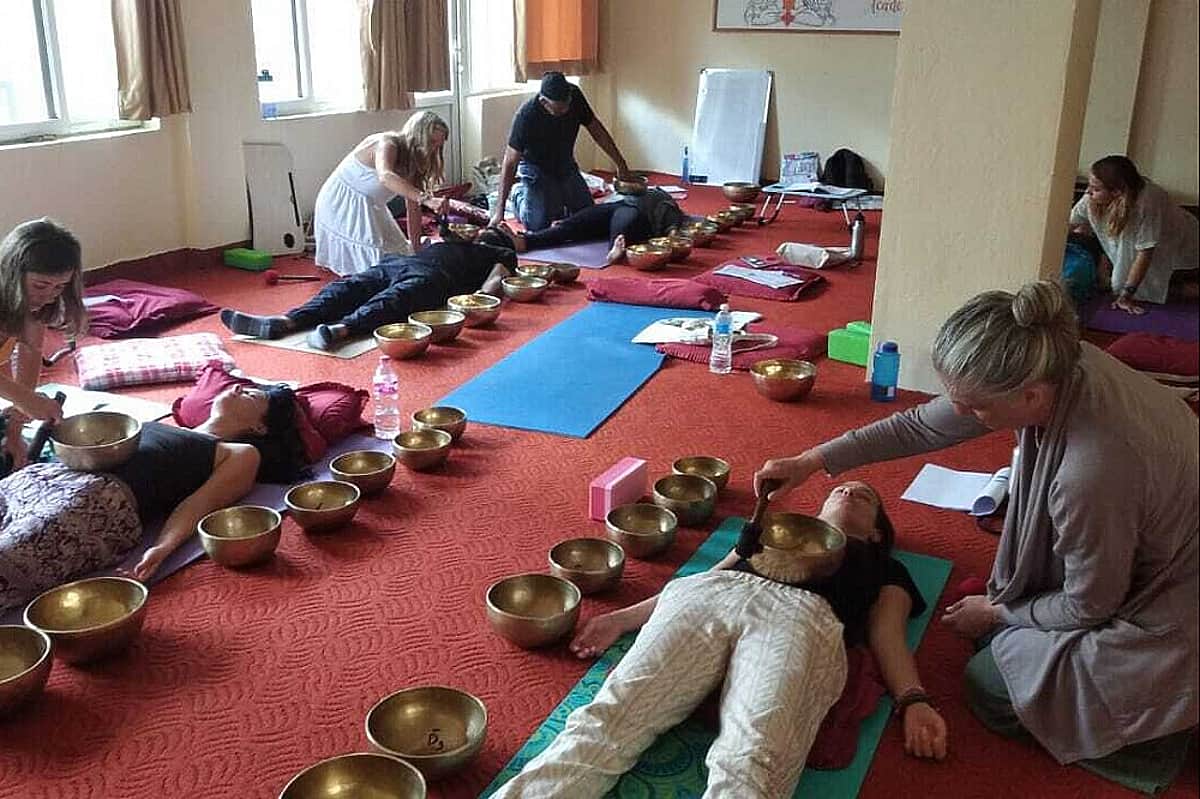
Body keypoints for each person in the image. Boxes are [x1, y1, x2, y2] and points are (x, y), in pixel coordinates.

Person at [755, 281, 1198, 772]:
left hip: (1174, 609)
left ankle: (1169, 729)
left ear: (1031, 396)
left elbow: (1091, 604)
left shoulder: (1090, 473)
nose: (962, 414)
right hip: (1131, 539)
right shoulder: (1057, 356)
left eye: (975, 405)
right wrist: (811, 460)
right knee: (1011, 634)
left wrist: (998, 612)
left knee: (990, 684)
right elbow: (922, 425)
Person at [492, 482, 947, 799]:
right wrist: (625, 619)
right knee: (608, 717)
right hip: (710, 597)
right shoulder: (773, 532)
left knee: (754, 753)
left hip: (803, 620)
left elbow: (887, 635)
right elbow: (708, 577)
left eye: (865, 495)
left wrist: (914, 700)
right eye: (838, 488)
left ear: (876, 531)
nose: (848, 491)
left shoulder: (883, 566)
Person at [0, 382, 309, 611]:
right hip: (41, 478)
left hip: (95, 504)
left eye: (254, 395)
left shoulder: (241, 454)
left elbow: (200, 505)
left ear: (258, 426)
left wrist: (161, 548)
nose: (240, 387)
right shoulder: (165, 425)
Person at [219, 233, 516, 350]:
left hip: (436, 278)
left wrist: (470, 303)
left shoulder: (498, 252)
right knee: (347, 286)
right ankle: (285, 322)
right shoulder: (454, 240)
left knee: (394, 300)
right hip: (398, 262)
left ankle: (341, 329)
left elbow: (490, 289)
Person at [489, 71, 631, 232]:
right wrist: (499, 212)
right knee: (537, 225)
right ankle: (518, 195)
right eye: (560, 108)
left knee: (588, 218)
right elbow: (510, 162)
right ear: (544, 102)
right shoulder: (526, 116)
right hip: (535, 169)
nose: (566, 110)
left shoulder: (574, 96)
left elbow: (597, 131)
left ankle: (555, 199)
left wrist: (621, 164)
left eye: (567, 104)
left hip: (565, 165)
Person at [314, 111, 449, 276]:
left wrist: (416, 249)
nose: (434, 149)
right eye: (432, 142)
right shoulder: (387, 143)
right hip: (341, 205)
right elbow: (385, 176)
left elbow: (413, 205)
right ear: (418, 136)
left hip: (371, 206)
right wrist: (427, 199)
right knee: (376, 269)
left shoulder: (415, 160)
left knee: (401, 255)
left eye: (439, 145)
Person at [1, 219, 87, 474]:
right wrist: (27, 400)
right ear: (12, 274)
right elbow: (21, 394)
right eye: (40, 285)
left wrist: (15, 432)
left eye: (60, 287)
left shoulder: (31, 311)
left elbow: (29, 356)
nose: (50, 295)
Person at [1070, 155, 1199, 315]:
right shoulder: (1092, 197)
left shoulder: (1149, 202)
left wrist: (1126, 296)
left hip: (1181, 240)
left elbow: (1145, 253)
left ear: (1117, 192)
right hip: (1150, 241)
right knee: (1126, 284)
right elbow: (1069, 224)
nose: (1088, 191)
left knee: (1150, 289)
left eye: (1096, 188)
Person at [497, 187, 688, 265]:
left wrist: (672, 236)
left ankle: (615, 249)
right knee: (569, 227)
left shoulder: (664, 202)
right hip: (615, 206)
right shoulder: (637, 192)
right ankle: (525, 241)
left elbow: (674, 228)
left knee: (623, 225)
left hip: (637, 216)